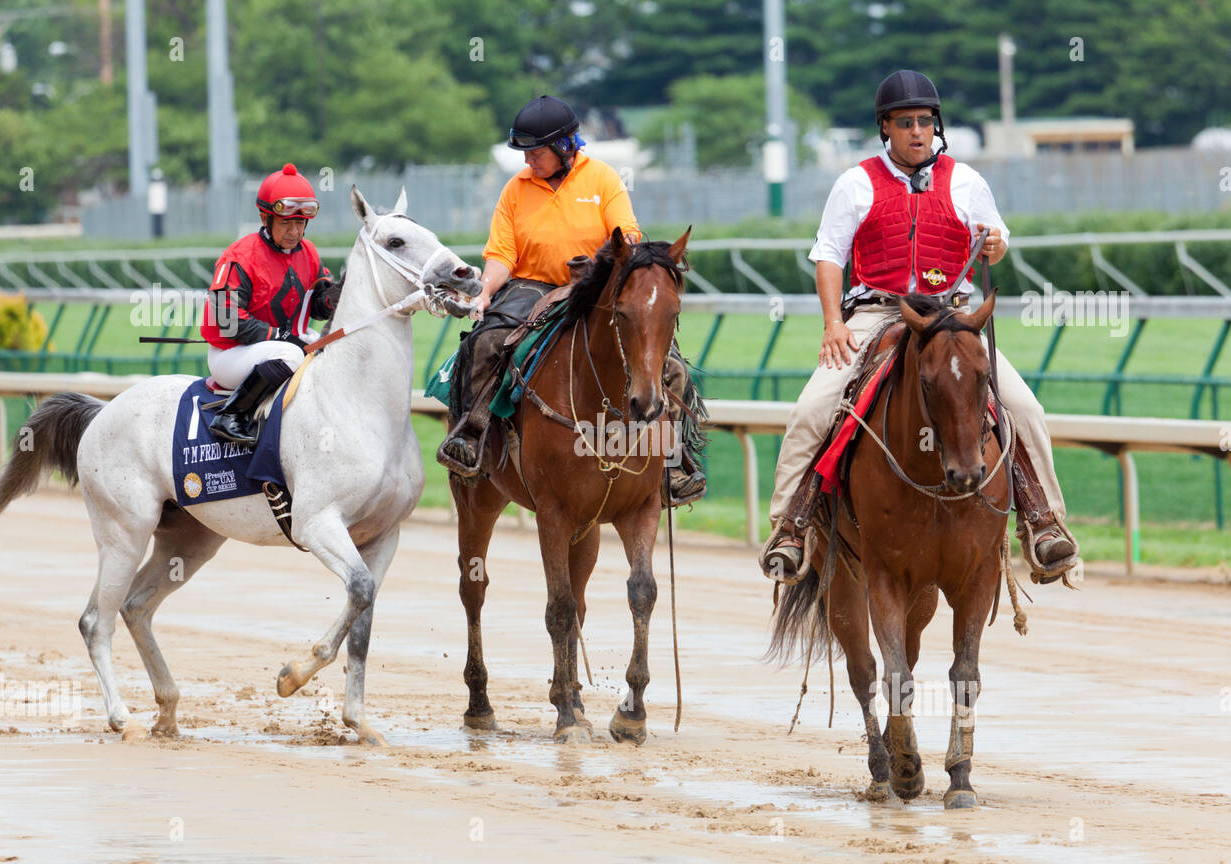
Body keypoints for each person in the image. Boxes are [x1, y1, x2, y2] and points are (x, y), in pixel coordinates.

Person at [760, 70, 1079, 583]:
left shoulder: (968, 181)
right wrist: (831, 325)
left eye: (925, 122)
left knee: (1024, 406)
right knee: (812, 409)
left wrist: (996, 245)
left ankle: (1044, 524)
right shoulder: (855, 182)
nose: (916, 131)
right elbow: (828, 257)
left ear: (936, 126)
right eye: (905, 122)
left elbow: (995, 238)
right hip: (876, 314)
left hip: (951, 319)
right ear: (885, 127)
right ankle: (790, 527)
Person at [438, 95, 706, 505]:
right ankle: (472, 433)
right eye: (524, 152)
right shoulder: (515, 189)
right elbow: (501, 256)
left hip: (593, 286)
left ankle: (673, 462)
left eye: (535, 151)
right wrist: (487, 291)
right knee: (487, 341)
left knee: (668, 363)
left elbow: (627, 236)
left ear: (565, 147)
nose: (528, 160)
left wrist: (607, 262)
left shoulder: (602, 179)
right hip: (532, 287)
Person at [200, 163, 342, 444]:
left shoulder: (309, 253)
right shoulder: (241, 255)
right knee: (290, 355)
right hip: (232, 355)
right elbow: (228, 322)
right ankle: (230, 416)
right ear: (266, 219)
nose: (294, 231)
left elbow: (317, 306)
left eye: (300, 223)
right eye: (286, 223)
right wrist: (282, 337)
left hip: (278, 346)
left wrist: (337, 295)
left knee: (331, 352)